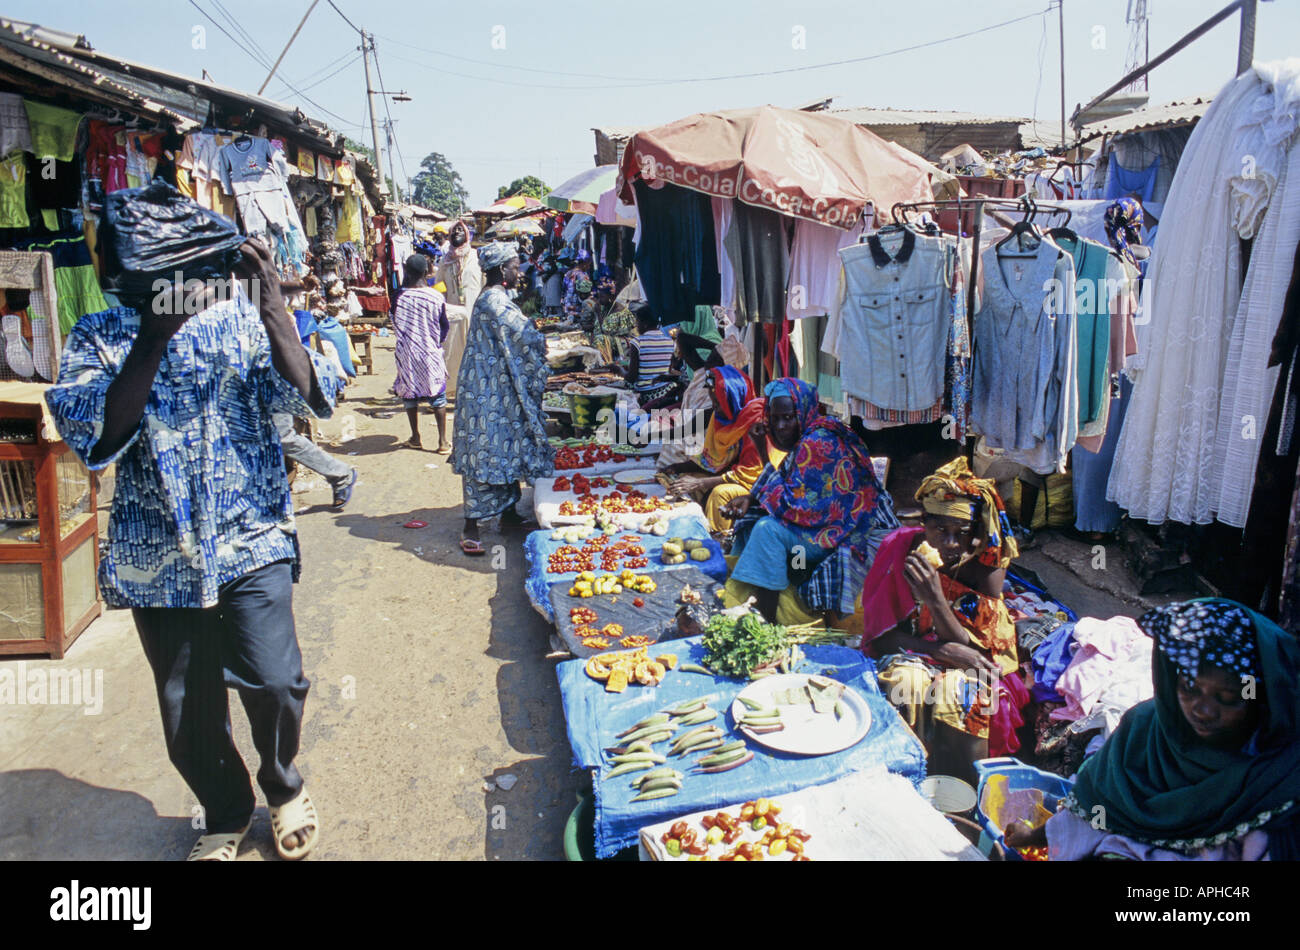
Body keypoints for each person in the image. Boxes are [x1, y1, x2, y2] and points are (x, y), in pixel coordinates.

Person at [44, 239, 336, 861]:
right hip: (158, 558)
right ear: (122, 272)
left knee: (278, 681)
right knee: (187, 707)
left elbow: (312, 395)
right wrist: (152, 338)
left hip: (251, 534)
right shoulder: (97, 336)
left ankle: (283, 786)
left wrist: (275, 307)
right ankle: (225, 809)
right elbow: (96, 436)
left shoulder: (239, 320)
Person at [1004, 599, 1300, 860]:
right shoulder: (1143, 732)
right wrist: (1032, 837)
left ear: (1261, 700)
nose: (1203, 710)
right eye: (1190, 688)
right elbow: (1091, 804)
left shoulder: (1276, 780)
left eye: (1228, 699)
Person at [863, 458, 1027, 781]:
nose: (951, 544)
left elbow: (976, 651)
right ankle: (907, 775)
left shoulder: (983, 568)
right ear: (923, 523)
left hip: (974, 657)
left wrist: (936, 598)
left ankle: (964, 792)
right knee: (905, 683)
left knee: (963, 695)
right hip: (919, 650)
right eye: (940, 530)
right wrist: (940, 650)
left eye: (960, 533)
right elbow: (879, 636)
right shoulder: (898, 550)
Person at [722, 378, 897, 623]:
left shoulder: (818, 442)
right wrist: (752, 493)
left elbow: (795, 508)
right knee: (755, 518)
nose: (780, 426)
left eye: (788, 417)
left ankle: (767, 619)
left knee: (766, 531)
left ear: (804, 411)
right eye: (775, 418)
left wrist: (761, 459)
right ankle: (766, 588)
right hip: (830, 524)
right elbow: (790, 486)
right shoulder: (813, 433)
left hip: (853, 531)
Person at [450, 242, 554, 556]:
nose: (519, 271)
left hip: (496, 388)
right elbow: (523, 333)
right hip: (484, 392)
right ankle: (471, 525)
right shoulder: (494, 300)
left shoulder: (498, 297)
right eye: (514, 265)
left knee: (507, 445)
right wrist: (542, 340)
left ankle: (507, 515)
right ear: (500, 269)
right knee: (483, 452)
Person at [665, 367, 782, 533]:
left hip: (762, 483)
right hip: (736, 475)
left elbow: (751, 473)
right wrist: (679, 468)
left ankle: (719, 542)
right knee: (685, 481)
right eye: (713, 401)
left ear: (733, 398)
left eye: (718, 402)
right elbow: (714, 460)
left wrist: (700, 482)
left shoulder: (757, 421)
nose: (714, 407)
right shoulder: (722, 417)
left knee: (719, 494)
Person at [392, 253, 451, 452]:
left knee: (409, 393)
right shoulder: (436, 296)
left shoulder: (399, 296)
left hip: (407, 353)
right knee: (438, 395)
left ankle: (416, 437)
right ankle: (443, 442)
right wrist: (436, 342)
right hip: (430, 352)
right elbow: (444, 326)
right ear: (427, 272)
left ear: (406, 271)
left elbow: (394, 323)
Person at [586, 274, 637, 360]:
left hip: (622, 341)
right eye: (598, 297)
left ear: (611, 297)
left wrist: (598, 314)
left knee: (600, 339)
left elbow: (606, 331)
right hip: (611, 339)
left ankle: (603, 361)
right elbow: (596, 327)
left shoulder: (619, 311)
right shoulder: (606, 307)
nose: (599, 300)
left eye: (602, 297)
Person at [434, 221, 482, 311]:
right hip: (452, 311)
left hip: (474, 308)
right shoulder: (444, 261)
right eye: (453, 230)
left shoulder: (476, 256)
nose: (456, 232)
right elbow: (439, 286)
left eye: (460, 229)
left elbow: (484, 282)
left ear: (466, 235)